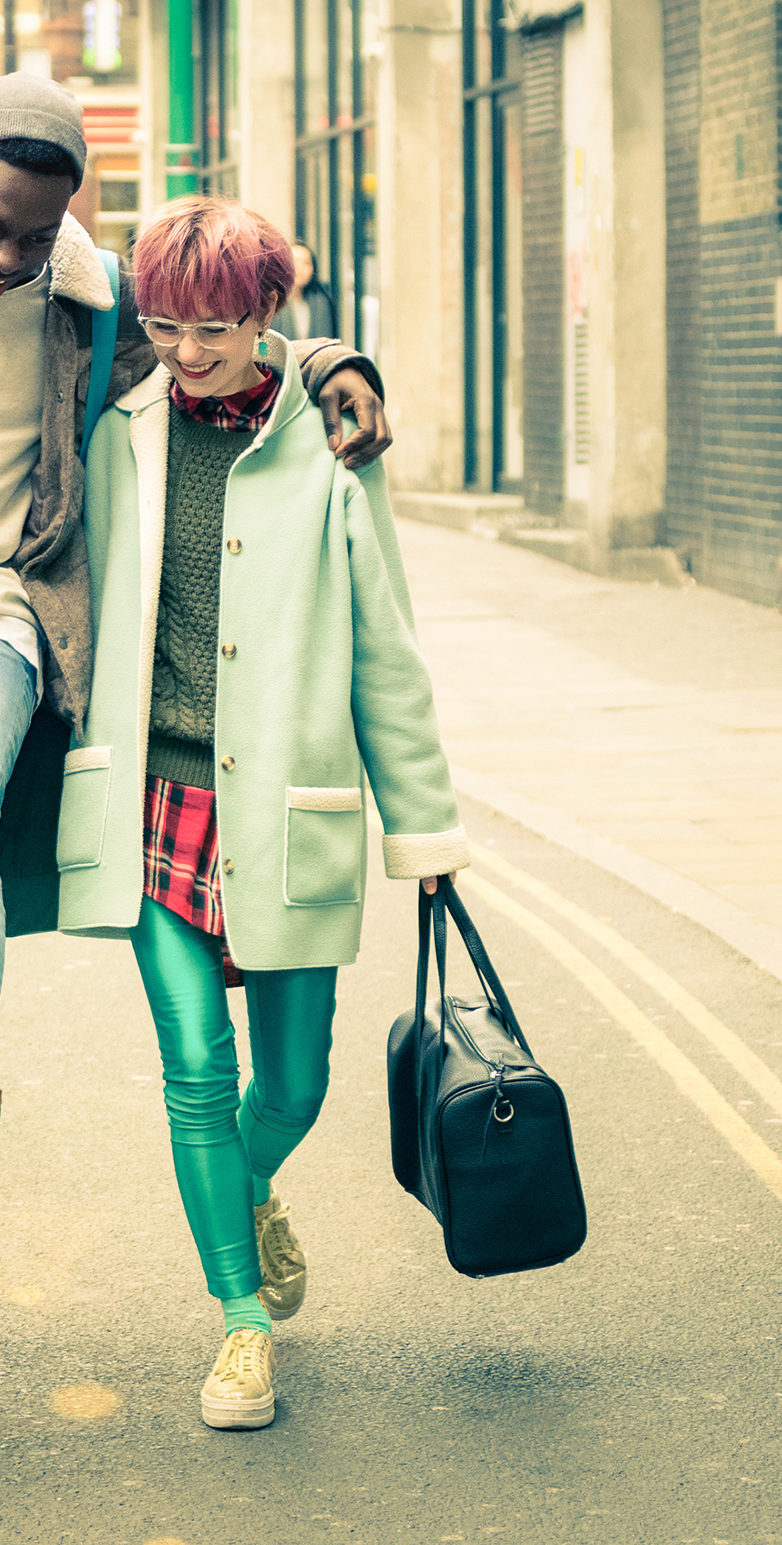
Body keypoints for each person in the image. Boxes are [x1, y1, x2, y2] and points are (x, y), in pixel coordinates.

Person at [0, 70, 393, 1370]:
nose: (4, 256)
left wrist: (331, 361)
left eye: (35, 234)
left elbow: (221, 324)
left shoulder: (85, 294)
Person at [60, 194, 469, 1429]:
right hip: (153, 802)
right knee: (197, 1070)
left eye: (217, 329)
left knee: (292, 1087)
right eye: (167, 326)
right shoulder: (117, 433)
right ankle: (242, 1326)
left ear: (268, 317)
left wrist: (427, 830)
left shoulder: (330, 444)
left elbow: (385, 646)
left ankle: (247, 1196)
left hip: (288, 805)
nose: (188, 353)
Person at [274, 240, 335, 339]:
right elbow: (262, 342)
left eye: (306, 263)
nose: (300, 268)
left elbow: (328, 341)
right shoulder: (271, 302)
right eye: (294, 262)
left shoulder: (322, 301)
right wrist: (263, 354)